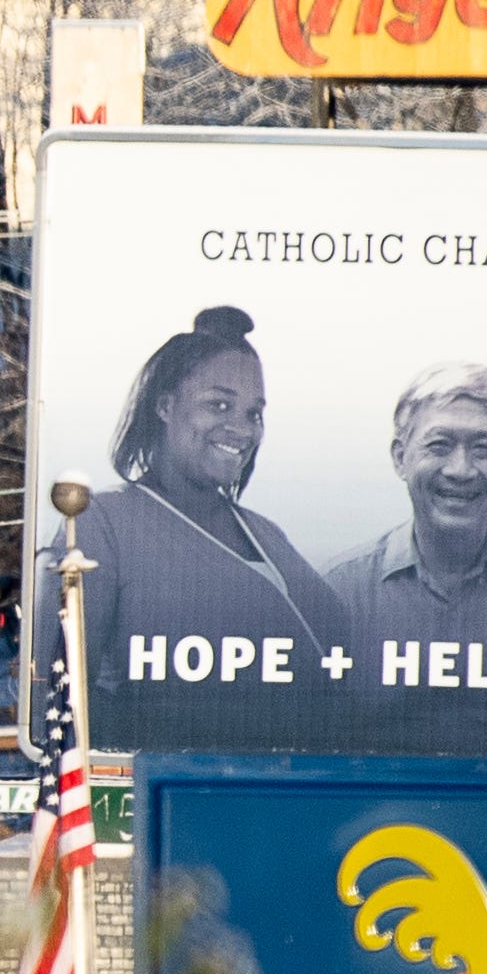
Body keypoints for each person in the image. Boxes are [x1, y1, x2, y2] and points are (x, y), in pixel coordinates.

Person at [65, 303, 345, 755]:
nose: (241, 428)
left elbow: (342, 656)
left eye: (254, 413)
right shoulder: (104, 524)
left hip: (290, 787)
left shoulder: (265, 534)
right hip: (169, 788)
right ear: (165, 406)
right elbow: (65, 698)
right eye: (219, 405)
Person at [318, 360, 487, 759]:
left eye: (482, 449)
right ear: (400, 457)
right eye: (439, 446)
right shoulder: (339, 590)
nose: (460, 470)